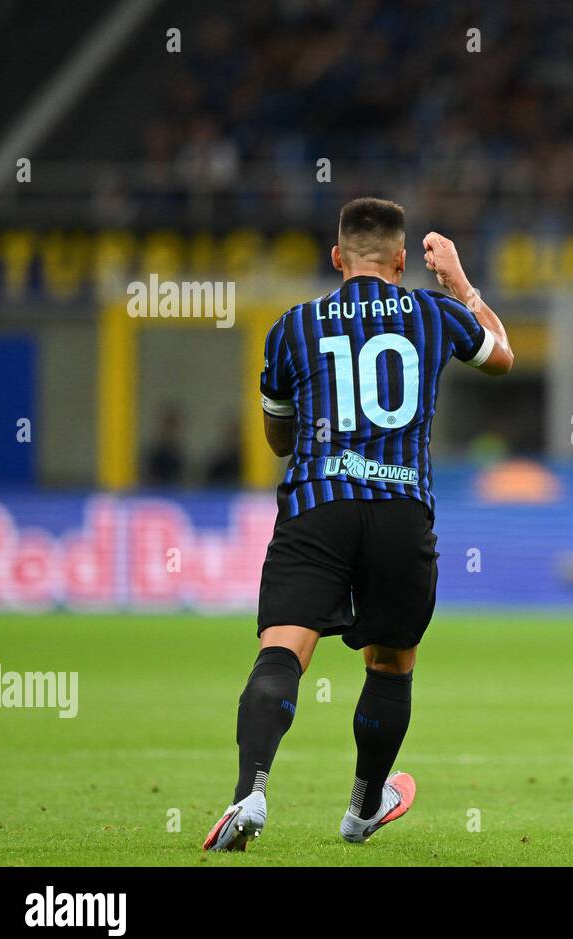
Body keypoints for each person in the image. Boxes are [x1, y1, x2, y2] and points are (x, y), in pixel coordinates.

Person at [203, 197, 513, 850]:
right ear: (402, 262)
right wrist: (460, 284)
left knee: (283, 650)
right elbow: (502, 356)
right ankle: (363, 806)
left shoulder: (294, 326)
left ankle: (249, 794)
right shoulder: (433, 313)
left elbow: (279, 437)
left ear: (338, 257)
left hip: (319, 507)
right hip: (403, 512)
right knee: (392, 664)